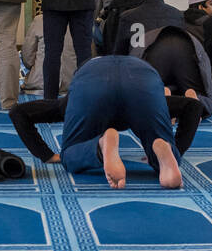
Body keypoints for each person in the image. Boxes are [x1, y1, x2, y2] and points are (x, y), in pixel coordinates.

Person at [56, 55, 183, 190]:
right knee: (161, 138)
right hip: (144, 79)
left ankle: (100, 146)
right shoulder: (138, 64)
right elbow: (191, 107)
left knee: (68, 154)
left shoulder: (84, 72)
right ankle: (163, 147)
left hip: (91, 82)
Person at [9, 86, 209, 163]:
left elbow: (17, 112)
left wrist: (46, 154)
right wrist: (179, 148)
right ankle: (163, 151)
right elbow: (194, 107)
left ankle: (100, 146)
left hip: (86, 103)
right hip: (139, 101)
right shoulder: (138, 78)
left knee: (71, 155)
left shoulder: (80, 90)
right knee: (155, 117)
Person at [114, 0, 185, 55]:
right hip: (169, 65)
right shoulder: (178, 16)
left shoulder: (127, 17)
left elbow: (120, 53)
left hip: (139, 65)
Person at [20, 13, 76, 95]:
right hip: (72, 84)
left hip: (40, 84)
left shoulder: (39, 20)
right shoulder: (81, 22)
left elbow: (27, 58)